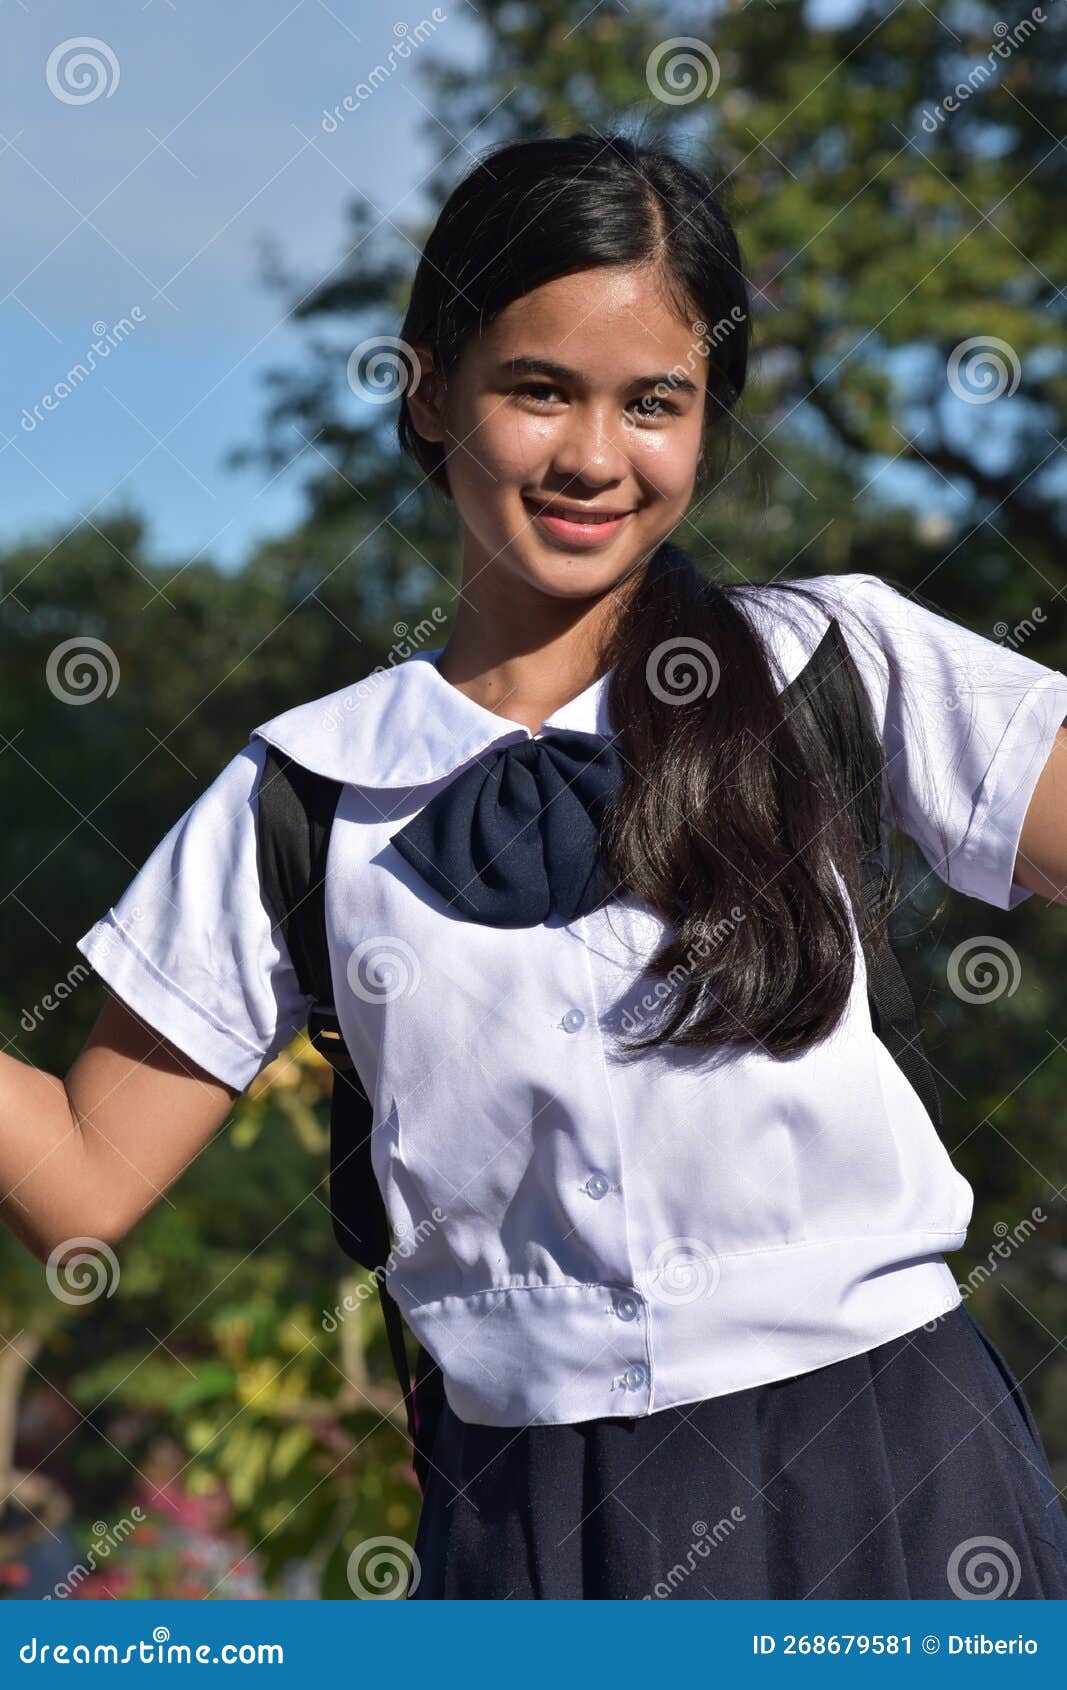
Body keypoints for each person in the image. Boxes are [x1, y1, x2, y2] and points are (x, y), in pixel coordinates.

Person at [4, 133, 1067, 1600]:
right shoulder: (304, 792)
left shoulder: (839, 659)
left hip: (895, 1471)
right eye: (538, 388)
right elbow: (78, 1180)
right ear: (430, 389)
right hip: (530, 1524)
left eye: (655, 403)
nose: (593, 454)